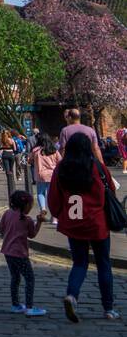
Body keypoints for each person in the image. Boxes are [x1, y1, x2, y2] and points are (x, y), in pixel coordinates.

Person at [48, 133, 120, 322]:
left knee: (79, 263)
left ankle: (72, 296)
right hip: (97, 223)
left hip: (73, 223)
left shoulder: (61, 169)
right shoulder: (97, 167)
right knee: (104, 264)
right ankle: (109, 308)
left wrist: (58, 214)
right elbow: (110, 189)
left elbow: (54, 200)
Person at [0, 190, 46, 316]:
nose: (31, 208)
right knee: (30, 279)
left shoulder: (7, 214)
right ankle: (29, 307)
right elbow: (33, 234)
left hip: (7, 251)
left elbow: (1, 228)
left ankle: (15, 305)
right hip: (20, 253)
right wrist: (39, 221)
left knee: (15, 278)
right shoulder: (27, 220)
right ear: (25, 206)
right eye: (30, 205)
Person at [32, 131, 59, 220]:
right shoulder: (53, 150)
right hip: (53, 175)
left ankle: (43, 209)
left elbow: (29, 160)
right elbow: (60, 161)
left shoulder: (36, 150)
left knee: (41, 193)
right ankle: (54, 216)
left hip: (41, 175)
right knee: (52, 195)